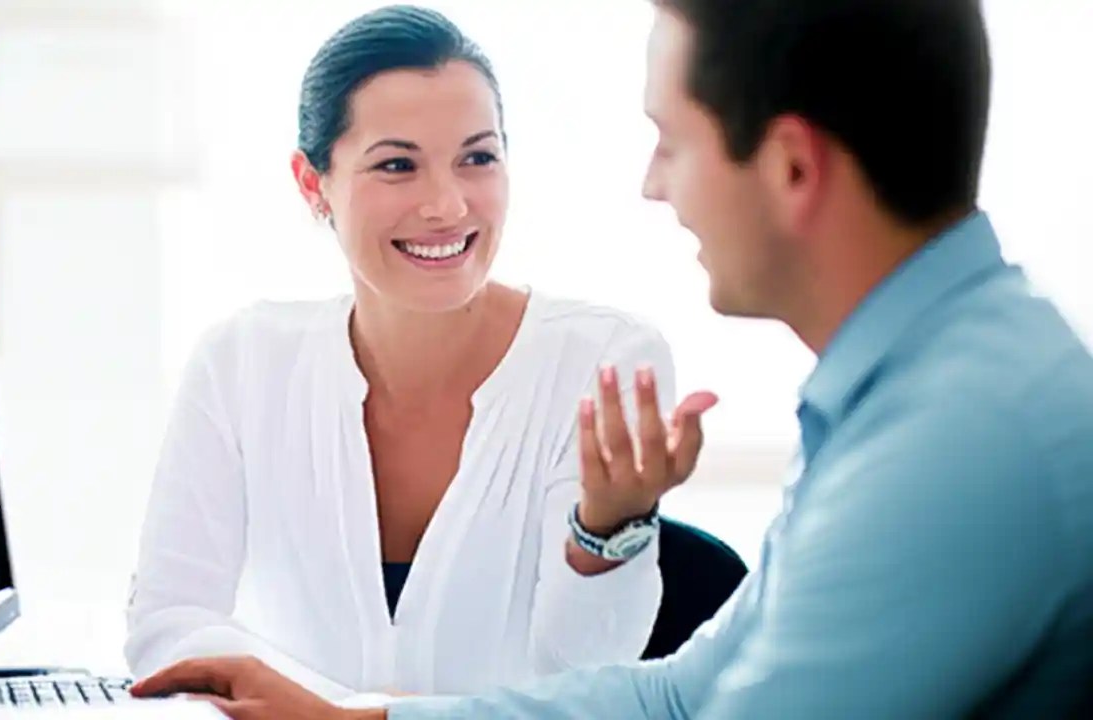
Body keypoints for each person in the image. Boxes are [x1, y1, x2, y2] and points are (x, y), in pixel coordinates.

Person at [129, 0, 1093, 717]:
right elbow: (680, 698)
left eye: (672, 143)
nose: (651, 185)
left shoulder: (959, 442)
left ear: (792, 168)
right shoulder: (919, 392)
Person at [124, 4, 720, 704]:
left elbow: (583, 677)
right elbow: (167, 626)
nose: (447, 205)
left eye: (477, 158)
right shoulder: (240, 365)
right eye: (397, 165)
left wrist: (605, 531)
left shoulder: (605, 359)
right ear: (313, 185)